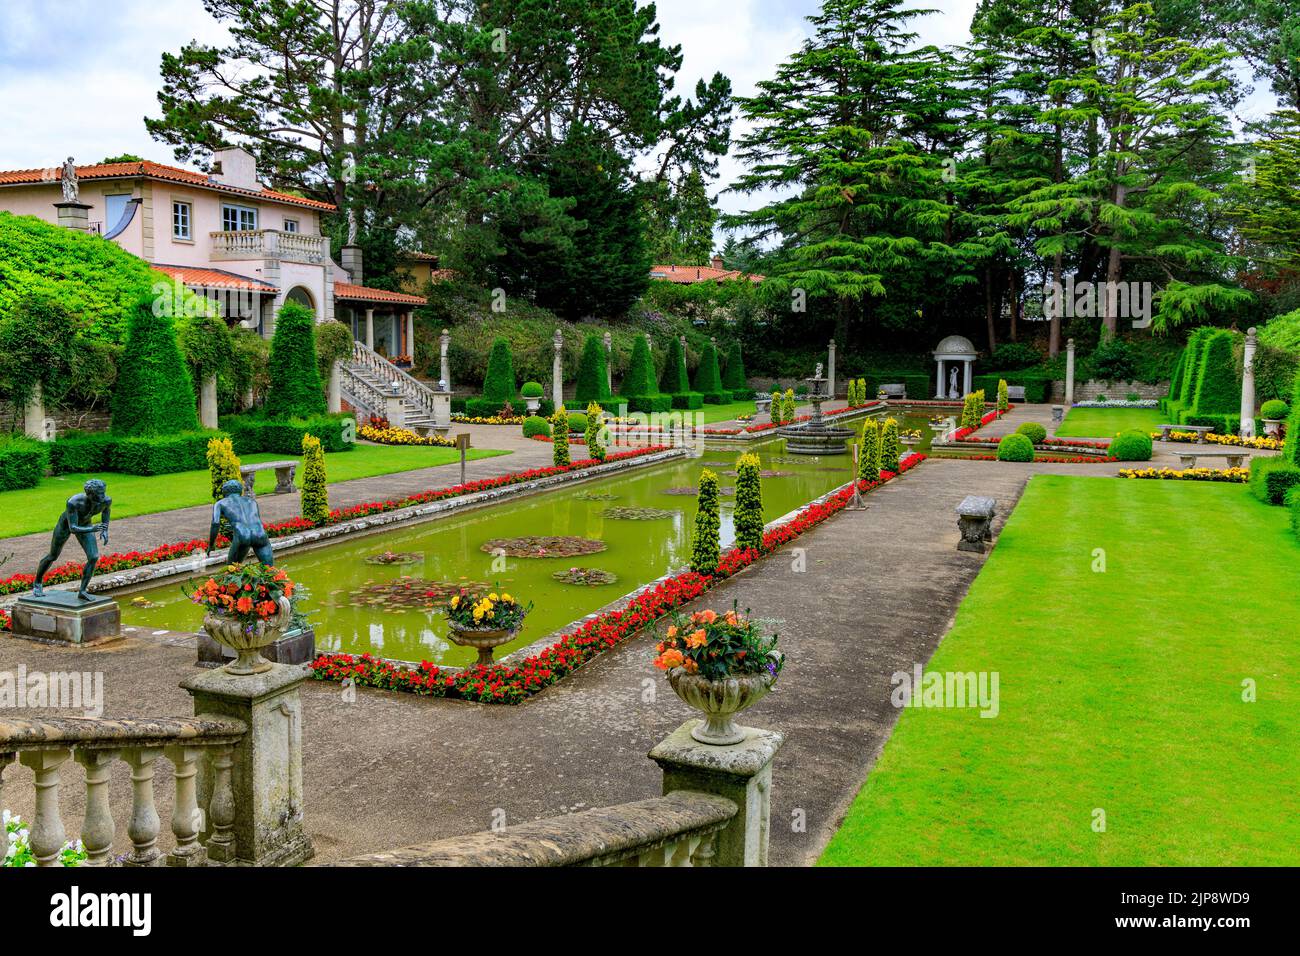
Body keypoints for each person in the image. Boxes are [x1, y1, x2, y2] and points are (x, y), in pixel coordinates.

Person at [33, 479, 111, 601]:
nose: (102, 496)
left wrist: (105, 530)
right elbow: (73, 528)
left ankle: (83, 591)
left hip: (86, 525)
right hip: (65, 527)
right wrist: (93, 528)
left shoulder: (105, 500)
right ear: (89, 494)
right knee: (53, 555)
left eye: (103, 492)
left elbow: (106, 511)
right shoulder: (73, 502)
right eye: (99, 494)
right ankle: (38, 582)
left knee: (94, 557)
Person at [207, 479, 275, 565]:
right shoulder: (252, 501)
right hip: (259, 533)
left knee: (232, 570)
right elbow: (251, 520)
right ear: (240, 490)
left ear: (224, 492)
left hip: (242, 535)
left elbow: (215, 523)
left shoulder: (220, 503)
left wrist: (211, 545)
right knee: (270, 571)